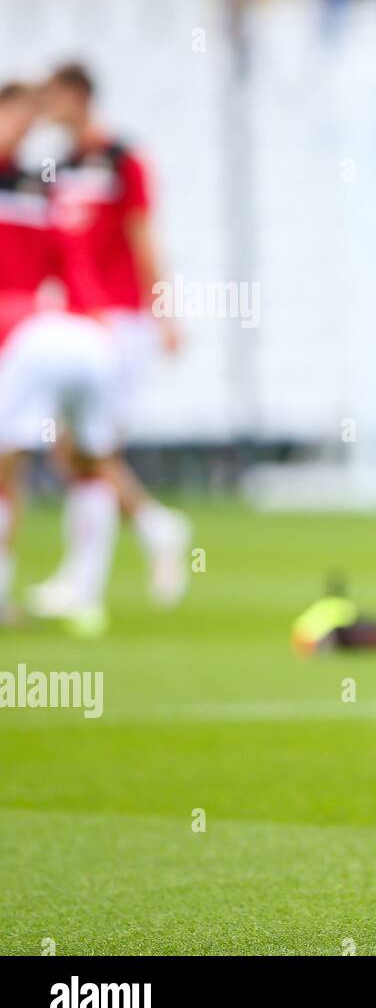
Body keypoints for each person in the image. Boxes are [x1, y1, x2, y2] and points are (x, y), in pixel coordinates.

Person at [30, 62, 189, 618]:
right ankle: (153, 527)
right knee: (74, 450)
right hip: (76, 320)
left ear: (79, 96)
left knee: (92, 450)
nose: (48, 108)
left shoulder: (124, 159)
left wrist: (164, 312)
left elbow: (143, 236)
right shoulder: (59, 168)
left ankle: (85, 579)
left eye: (55, 96)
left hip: (121, 319)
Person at [0, 81, 120, 635]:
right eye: (16, 115)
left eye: (27, 117)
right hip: (25, 336)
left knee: (74, 460)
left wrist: (91, 311)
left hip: (36, 339)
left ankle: (82, 593)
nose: (23, 126)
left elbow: (68, 264)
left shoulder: (36, 186)